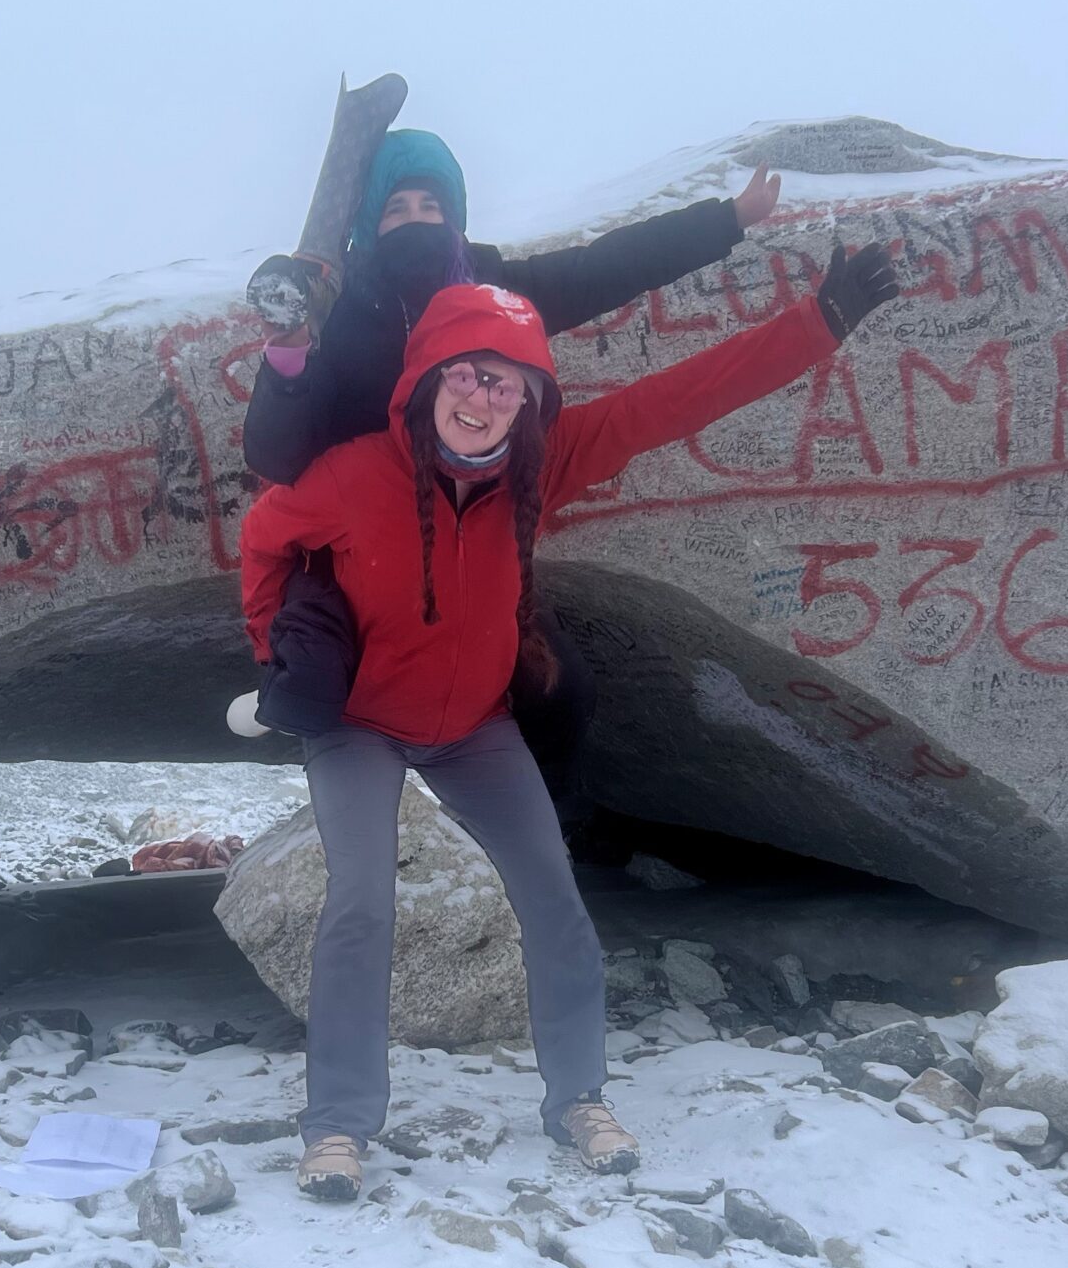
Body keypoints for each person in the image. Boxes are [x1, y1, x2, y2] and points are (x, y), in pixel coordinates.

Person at [238, 240, 898, 1200]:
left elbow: (675, 400)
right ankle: (338, 1126)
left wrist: (817, 323)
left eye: (509, 384)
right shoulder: (351, 476)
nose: (484, 398)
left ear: (532, 400)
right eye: (466, 375)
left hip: (472, 725)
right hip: (358, 724)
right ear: (426, 381)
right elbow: (264, 542)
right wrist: (276, 652)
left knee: (553, 896)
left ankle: (578, 1097)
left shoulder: (537, 471)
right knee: (361, 904)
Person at [238, 128, 782, 790]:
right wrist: (291, 359)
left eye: (429, 207)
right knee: (319, 686)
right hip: (359, 539)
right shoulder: (340, 307)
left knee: (561, 693)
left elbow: (601, 270)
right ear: (369, 223)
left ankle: (524, 809)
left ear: (455, 217)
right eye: (396, 208)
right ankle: (332, 756)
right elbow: (275, 453)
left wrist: (726, 220)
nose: (415, 220)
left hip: (476, 523)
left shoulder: (494, 291)